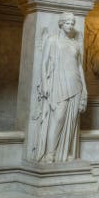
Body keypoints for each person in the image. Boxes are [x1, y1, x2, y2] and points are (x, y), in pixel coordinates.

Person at [31, 12, 88, 163]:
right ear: (61, 24)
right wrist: (44, 83)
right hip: (58, 83)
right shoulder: (52, 40)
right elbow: (44, 64)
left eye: (72, 23)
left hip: (76, 83)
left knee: (72, 120)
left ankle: (66, 152)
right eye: (68, 23)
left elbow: (80, 67)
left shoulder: (75, 44)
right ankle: (51, 153)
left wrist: (85, 89)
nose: (70, 26)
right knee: (58, 118)